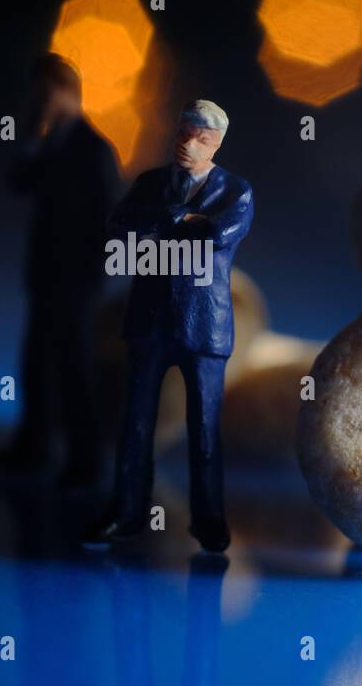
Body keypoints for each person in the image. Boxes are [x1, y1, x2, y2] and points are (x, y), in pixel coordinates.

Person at [88, 100, 253, 552]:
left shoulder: (236, 190)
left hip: (204, 327)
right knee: (135, 424)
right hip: (149, 321)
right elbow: (119, 225)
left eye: (201, 139)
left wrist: (162, 224)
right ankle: (126, 511)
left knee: (205, 429)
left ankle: (209, 519)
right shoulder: (150, 183)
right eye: (184, 133)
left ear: (217, 145)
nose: (188, 145)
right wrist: (179, 217)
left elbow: (218, 235)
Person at [0, 53, 121, 486]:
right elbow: (19, 182)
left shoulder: (93, 148)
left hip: (76, 279)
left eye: (46, 93)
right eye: (37, 93)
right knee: (37, 361)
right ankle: (36, 448)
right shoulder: (52, 144)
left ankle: (85, 462)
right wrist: (30, 138)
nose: (39, 101)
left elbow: (108, 218)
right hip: (46, 274)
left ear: (67, 93)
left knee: (74, 367)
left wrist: (92, 275)